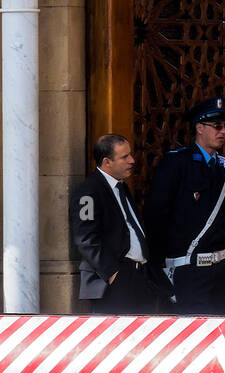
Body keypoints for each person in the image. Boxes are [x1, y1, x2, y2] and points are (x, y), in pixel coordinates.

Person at [144, 97, 225, 316]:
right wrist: (158, 266)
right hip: (188, 268)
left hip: (222, 269)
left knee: (223, 328)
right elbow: (156, 216)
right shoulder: (176, 163)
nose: (223, 131)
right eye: (217, 126)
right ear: (199, 128)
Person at [71, 134, 172, 313]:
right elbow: (86, 238)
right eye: (124, 157)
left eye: (130, 154)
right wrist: (112, 274)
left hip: (139, 277)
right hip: (114, 282)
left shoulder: (121, 187)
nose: (132, 160)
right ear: (107, 162)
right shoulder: (89, 190)